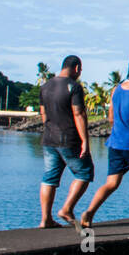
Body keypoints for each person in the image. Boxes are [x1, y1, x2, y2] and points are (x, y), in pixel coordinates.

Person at [79, 56, 129, 234]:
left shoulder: (116, 89)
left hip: (115, 142)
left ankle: (89, 213)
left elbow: (111, 118)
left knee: (111, 183)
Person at [39, 55, 93, 228]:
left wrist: (49, 130)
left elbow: (43, 114)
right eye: (80, 70)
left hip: (49, 138)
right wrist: (85, 140)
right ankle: (66, 209)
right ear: (76, 68)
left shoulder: (45, 86)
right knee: (84, 173)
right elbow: (78, 114)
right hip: (68, 139)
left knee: (49, 178)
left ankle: (45, 219)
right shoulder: (74, 87)